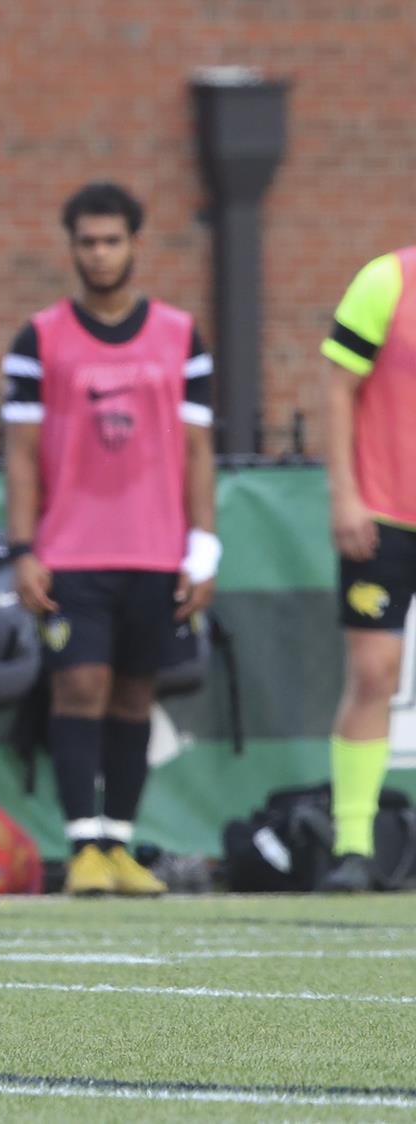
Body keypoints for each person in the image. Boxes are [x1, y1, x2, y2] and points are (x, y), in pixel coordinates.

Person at [4, 181, 217, 899]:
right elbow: (21, 453)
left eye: (111, 240)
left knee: (133, 694)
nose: (99, 254)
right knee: (80, 686)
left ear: (135, 244)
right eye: (87, 242)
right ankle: (82, 846)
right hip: (71, 551)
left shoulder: (181, 335)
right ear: (71, 249)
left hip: (156, 551)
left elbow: (198, 450)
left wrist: (204, 547)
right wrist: (23, 548)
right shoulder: (38, 338)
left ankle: (119, 844)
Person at [319, 243, 416, 892]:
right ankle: (354, 844)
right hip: (382, 515)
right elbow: (337, 388)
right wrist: (344, 495)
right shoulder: (388, 279)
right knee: (374, 672)